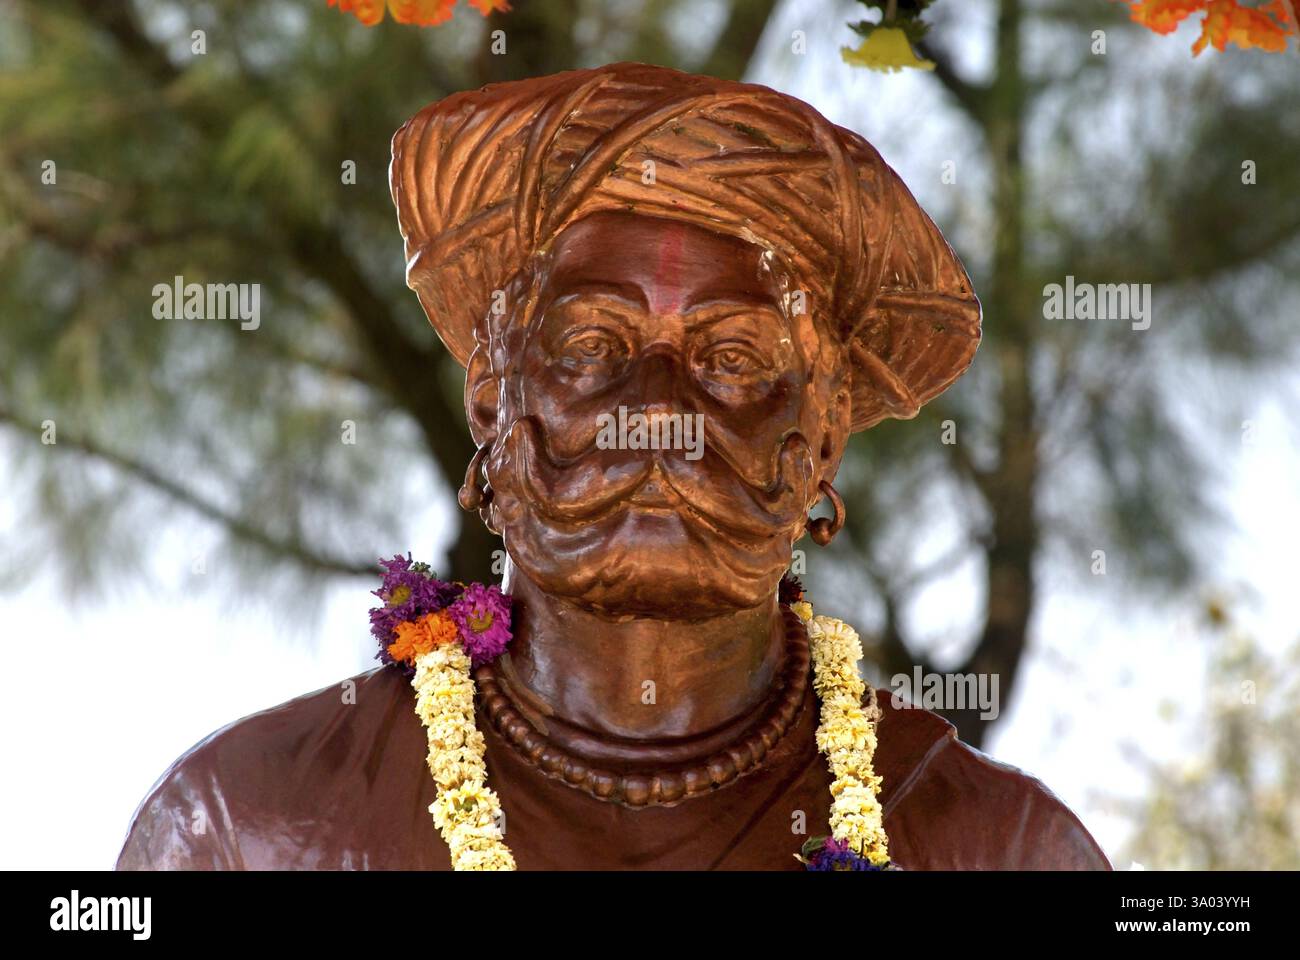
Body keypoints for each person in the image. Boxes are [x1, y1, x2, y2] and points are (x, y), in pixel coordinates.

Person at [117, 63, 1109, 871]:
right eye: (592, 348)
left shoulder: (1000, 849)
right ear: (492, 401)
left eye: (731, 360)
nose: (660, 412)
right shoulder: (242, 829)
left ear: (822, 438)